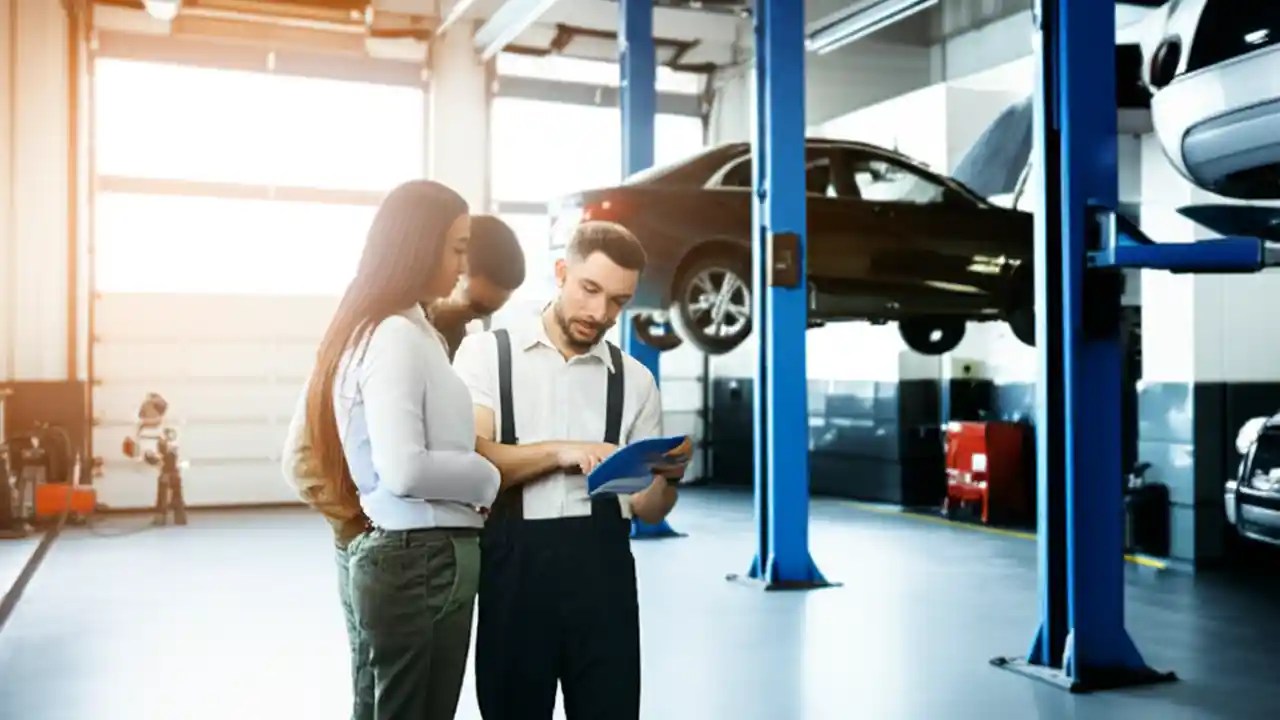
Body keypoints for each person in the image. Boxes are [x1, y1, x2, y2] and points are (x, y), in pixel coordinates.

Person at [282, 211, 527, 720]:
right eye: (475, 304)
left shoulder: (438, 338)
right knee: (377, 693)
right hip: (386, 543)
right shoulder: (384, 335)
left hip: (425, 545)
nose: (475, 319)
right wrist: (370, 527)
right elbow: (303, 461)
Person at [452, 220, 692, 720]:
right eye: (590, 289)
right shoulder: (487, 354)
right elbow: (475, 463)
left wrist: (669, 477)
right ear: (562, 272)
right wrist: (564, 452)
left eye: (618, 301)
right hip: (514, 574)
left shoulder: (636, 381)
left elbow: (649, 509)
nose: (600, 313)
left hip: (603, 579)